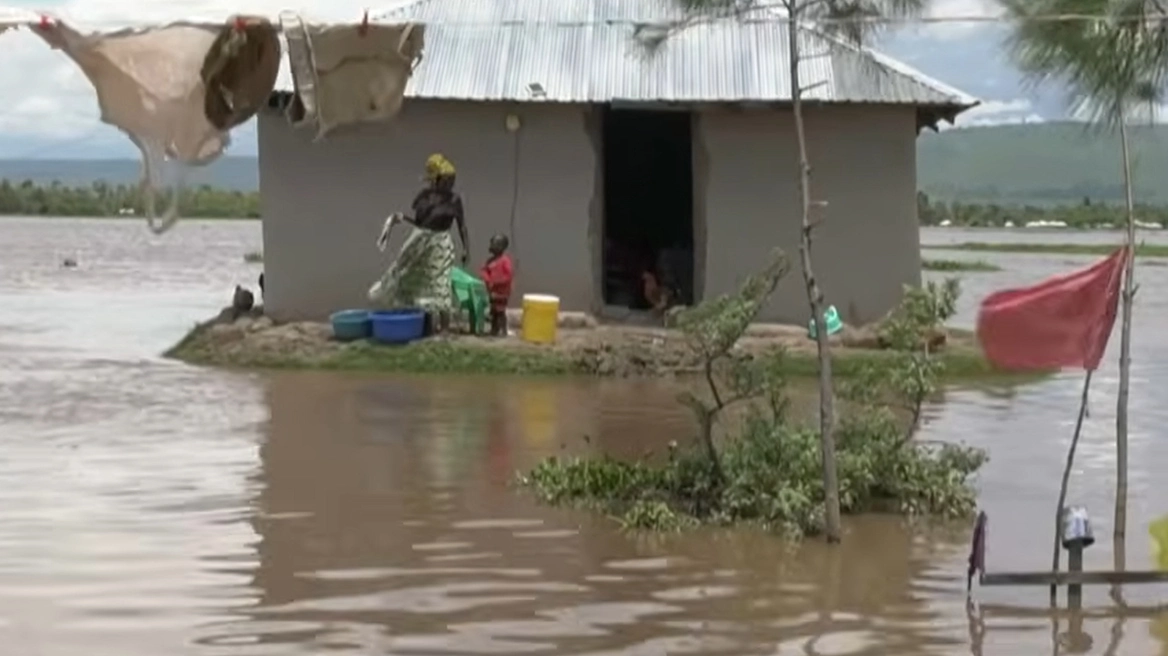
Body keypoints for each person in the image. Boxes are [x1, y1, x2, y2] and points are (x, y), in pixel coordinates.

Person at [368, 153, 470, 332]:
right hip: (420, 240)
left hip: (442, 243)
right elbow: (420, 223)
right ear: (436, 180)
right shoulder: (425, 197)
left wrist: (466, 248)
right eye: (447, 179)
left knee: (441, 283)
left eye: (452, 179)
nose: (451, 183)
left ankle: (444, 329)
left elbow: (461, 225)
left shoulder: (455, 200)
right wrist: (401, 218)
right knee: (417, 279)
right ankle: (426, 325)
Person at [480, 233, 514, 336]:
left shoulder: (505, 261)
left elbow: (508, 276)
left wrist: (495, 282)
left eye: (494, 243)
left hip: (502, 292)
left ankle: (503, 330)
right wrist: (486, 278)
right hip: (492, 292)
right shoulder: (490, 261)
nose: (491, 246)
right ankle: (494, 330)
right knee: (494, 311)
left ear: (502, 247)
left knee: (500, 312)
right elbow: (484, 270)